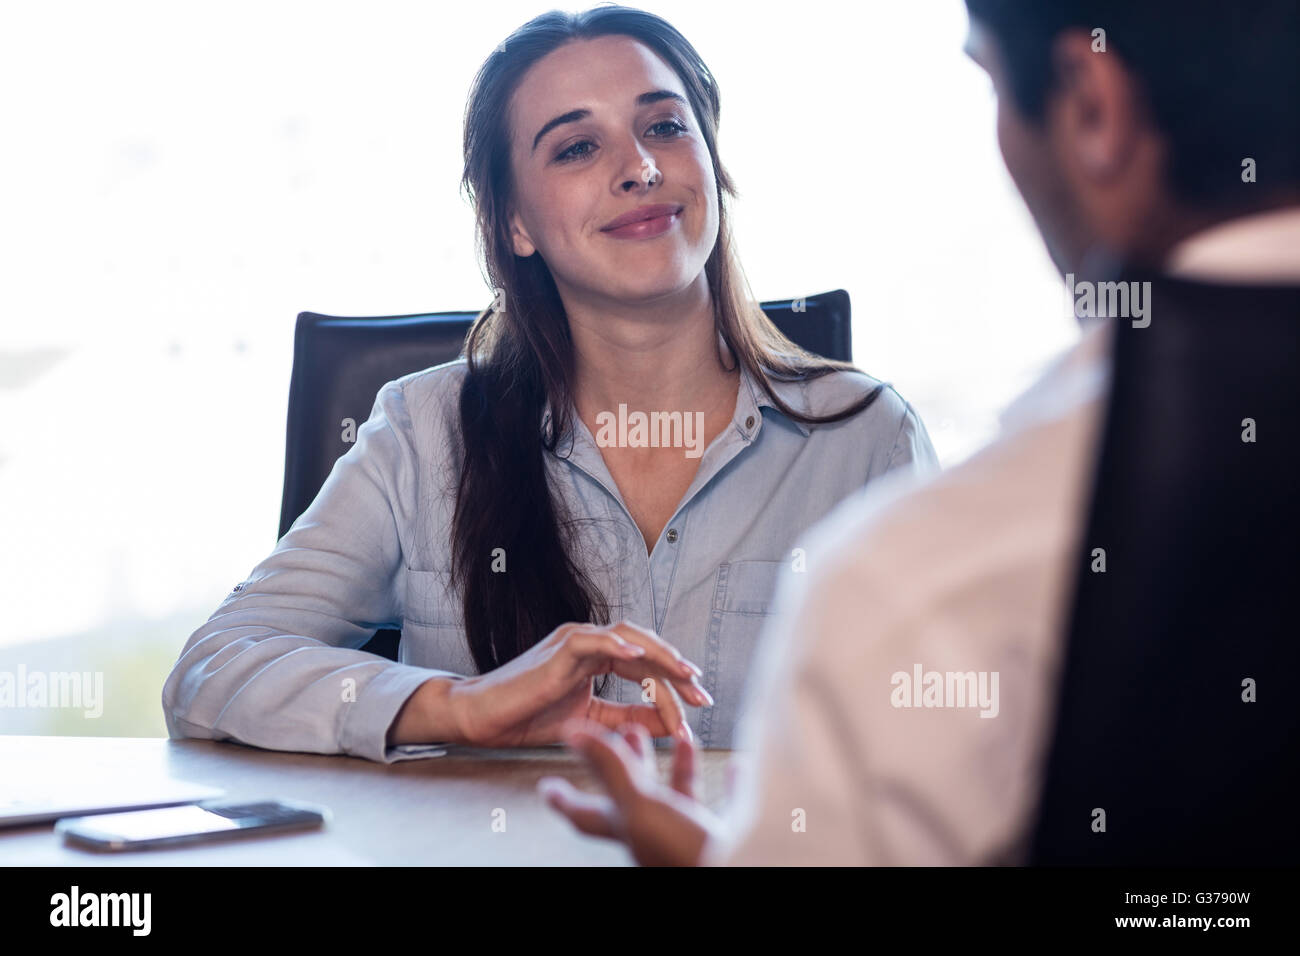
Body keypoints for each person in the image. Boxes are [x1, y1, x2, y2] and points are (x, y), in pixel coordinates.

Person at [541, 0, 1300, 864]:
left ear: (1092, 103)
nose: (637, 169)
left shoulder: (918, 581)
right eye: (575, 145)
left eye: (989, 89)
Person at [161, 6, 936, 763]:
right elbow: (214, 668)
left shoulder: (865, 439)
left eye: (665, 126)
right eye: (575, 148)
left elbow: (948, 750)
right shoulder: (422, 432)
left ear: (713, 165)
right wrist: (462, 708)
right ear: (513, 225)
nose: (638, 167)